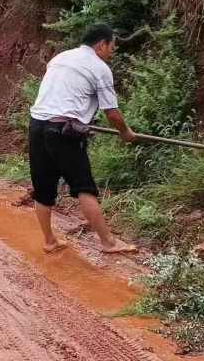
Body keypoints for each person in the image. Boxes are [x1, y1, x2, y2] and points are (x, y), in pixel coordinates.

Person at [29, 22, 138, 255]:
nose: (110, 53)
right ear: (102, 44)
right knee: (83, 187)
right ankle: (109, 243)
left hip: (37, 124)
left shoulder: (60, 58)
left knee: (43, 187)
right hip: (63, 129)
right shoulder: (100, 68)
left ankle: (49, 241)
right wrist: (125, 132)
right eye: (111, 47)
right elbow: (112, 114)